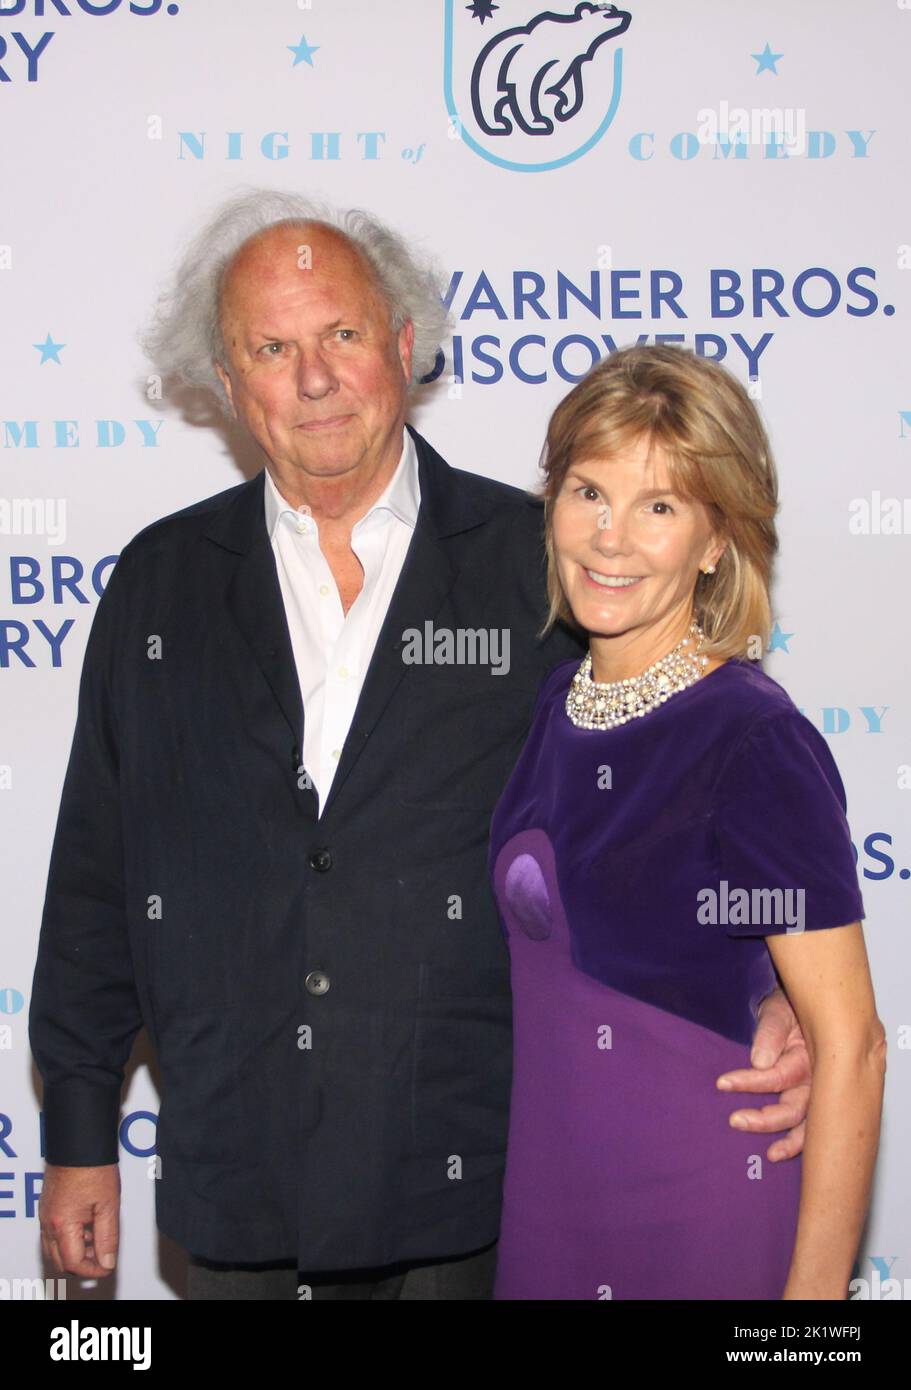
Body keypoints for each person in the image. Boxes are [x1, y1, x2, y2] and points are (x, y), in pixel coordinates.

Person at [31, 193, 815, 1301]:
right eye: (272, 347)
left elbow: (668, 798)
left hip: (483, 1184)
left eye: (341, 335)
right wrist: (76, 1128)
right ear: (226, 382)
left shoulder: (538, 569)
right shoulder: (160, 585)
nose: (313, 378)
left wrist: (768, 988)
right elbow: (97, 872)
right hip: (237, 1182)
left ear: (402, 345)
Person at [488, 344, 886, 1300]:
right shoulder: (556, 703)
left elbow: (854, 1047)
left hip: (698, 1210)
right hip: (550, 1207)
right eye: (588, 492)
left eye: (658, 506)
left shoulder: (748, 739)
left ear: (716, 541)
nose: (609, 537)